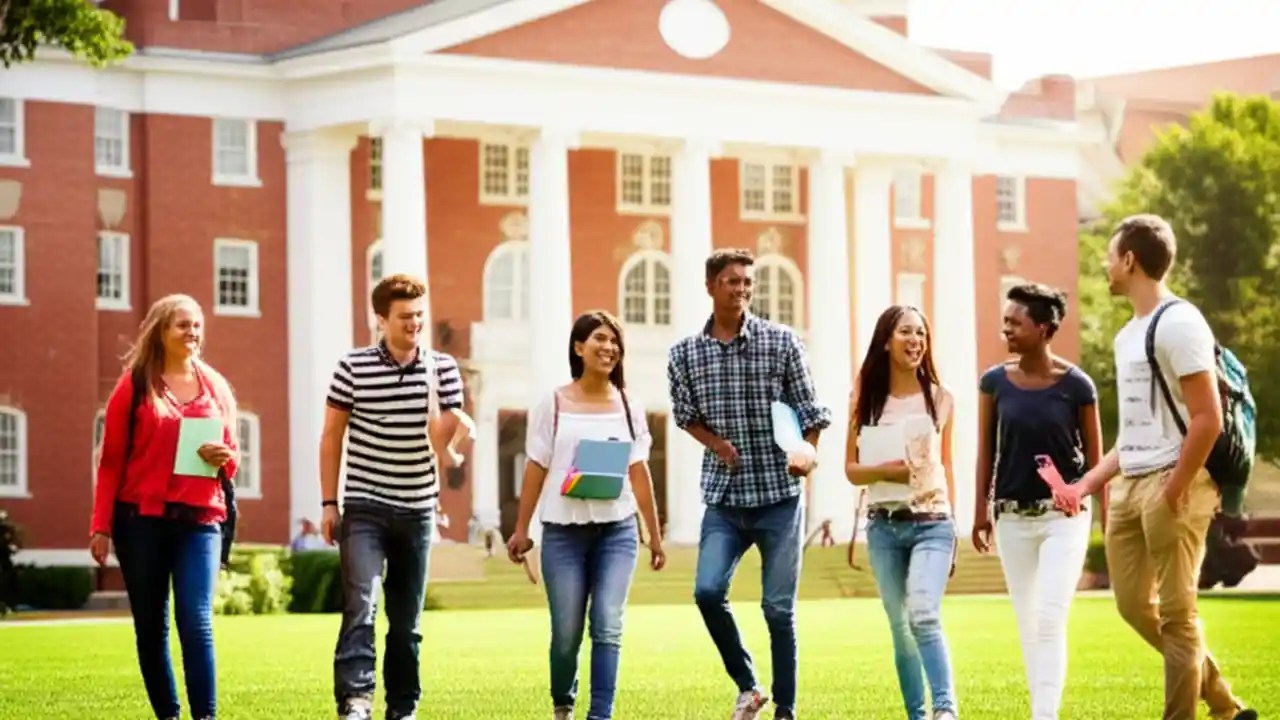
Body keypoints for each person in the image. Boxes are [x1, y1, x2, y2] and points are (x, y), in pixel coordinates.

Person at [1063, 215, 1256, 720]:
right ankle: (1222, 698)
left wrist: (1173, 490)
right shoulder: (1129, 335)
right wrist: (1087, 483)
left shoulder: (1180, 323)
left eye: (1110, 255)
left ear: (1129, 260)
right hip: (1131, 485)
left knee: (1177, 612)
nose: (1105, 264)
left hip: (1178, 483)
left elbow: (1207, 418)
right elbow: (1135, 434)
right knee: (1132, 606)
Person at [668, 249, 830, 720]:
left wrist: (806, 452)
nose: (741, 289)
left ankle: (785, 707)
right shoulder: (684, 353)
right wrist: (716, 443)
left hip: (779, 497)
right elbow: (685, 415)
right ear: (710, 286)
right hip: (724, 498)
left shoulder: (782, 343)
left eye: (746, 282)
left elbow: (812, 412)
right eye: (732, 281)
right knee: (706, 592)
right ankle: (748, 686)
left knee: (778, 609)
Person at [319, 274, 468, 720]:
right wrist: (330, 503)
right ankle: (356, 701)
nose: (415, 324)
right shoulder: (353, 367)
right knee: (361, 605)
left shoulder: (442, 369)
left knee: (406, 624)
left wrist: (453, 438)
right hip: (364, 504)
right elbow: (331, 437)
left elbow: (447, 451)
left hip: (418, 508)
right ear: (380, 319)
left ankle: (402, 708)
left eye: (420, 315)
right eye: (405, 317)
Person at [506, 310, 667, 720]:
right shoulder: (554, 403)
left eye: (615, 341)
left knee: (608, 622)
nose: (608, 347)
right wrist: (521, 530)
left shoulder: (630, 404)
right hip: (563, 532)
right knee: (566, 633)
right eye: (599, 338)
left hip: (618, 530)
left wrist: (654, 533)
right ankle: (563, 702)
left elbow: (639, 471)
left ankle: (600, 714)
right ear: (579, 347)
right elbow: (535, 466)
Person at [89, 294, 240, 720]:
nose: (192, 333)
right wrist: (100, 526)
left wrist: (223, 456)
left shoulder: (215, 386)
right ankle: (168, 715)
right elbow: (111, 462)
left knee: (196, 622)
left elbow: (233, 456)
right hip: (141, 522)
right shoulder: (134, 384)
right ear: (161, 330)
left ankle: (205, 717)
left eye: (197, 325)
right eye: (182, 325)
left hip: (201, 520)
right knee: (152, 627)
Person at [972, 283, 1102, 720]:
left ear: (1044, 329)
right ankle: (1041, 708)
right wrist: (980, 514)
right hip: (1011, 520)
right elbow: (985, 452)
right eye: (1005, 321)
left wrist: (1094, 510)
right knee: (1029, 625)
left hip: (1063, 520)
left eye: (1016, 322)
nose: (1006, 329)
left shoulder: (1078, 387)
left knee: (1049, 617)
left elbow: (1097, 464)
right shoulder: (993, 383)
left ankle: (1043, 716)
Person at [844, 305, 958, 720]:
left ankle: (945, 710)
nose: (916, 341)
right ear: (887, 341)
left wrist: (955, 531)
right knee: (901, 629)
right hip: (884, 528)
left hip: (933, 523)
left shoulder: (941, 399)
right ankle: (918, 714)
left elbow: (947, 467)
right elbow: (851, 470)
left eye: (921, 334)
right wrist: (883, 470)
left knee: (923, 613)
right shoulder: (865, 398)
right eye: (907, 332)